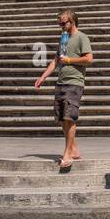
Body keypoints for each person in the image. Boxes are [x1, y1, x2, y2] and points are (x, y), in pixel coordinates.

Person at [33, 9, 93, 171]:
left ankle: (67, 153)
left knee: (69, 117)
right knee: (61, 117)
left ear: (72, 22)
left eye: (63, 23)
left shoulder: (82, 37)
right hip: (61, 81)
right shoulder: (63, 38)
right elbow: (55, 60)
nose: (60, 26)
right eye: (59, 23)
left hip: (74, 82)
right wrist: (43, 76)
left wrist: (70, 60)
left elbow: (89, 59)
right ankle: (74, 149)